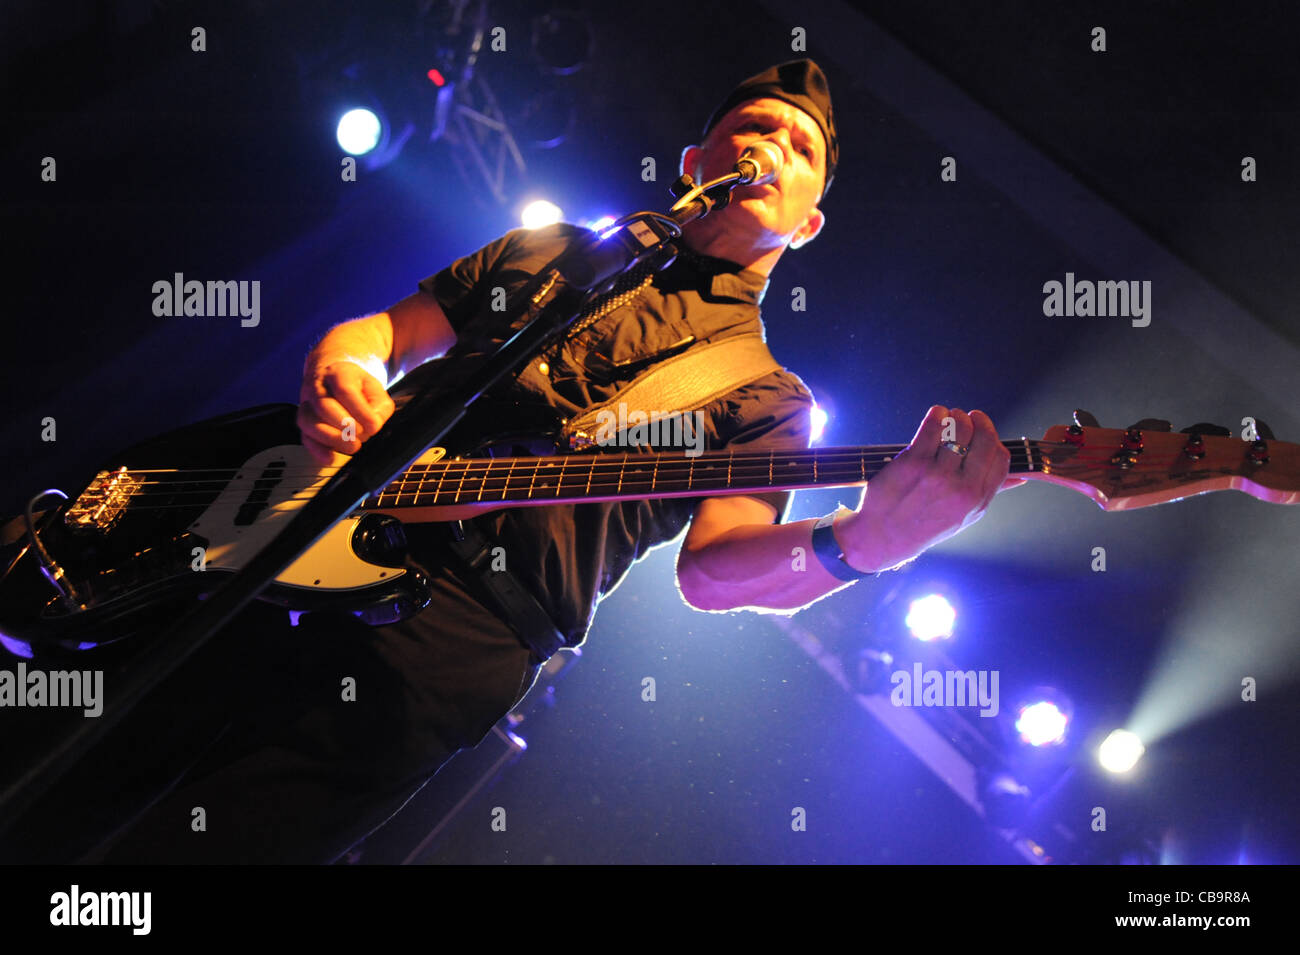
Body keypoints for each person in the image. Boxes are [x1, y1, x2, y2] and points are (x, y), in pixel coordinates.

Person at [0, 59, 1014, 864]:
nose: (769, 144)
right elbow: (377, 335)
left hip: (451, 643)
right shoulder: (554, 253)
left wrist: (863, 544)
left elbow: (715, 570)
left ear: (809, 223)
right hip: (296, 537)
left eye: (796, 148)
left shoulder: (764, 396)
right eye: (750, 127)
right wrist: (339, 365)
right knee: (71, 772)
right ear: (694, 155)